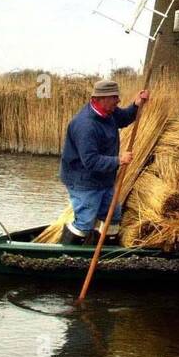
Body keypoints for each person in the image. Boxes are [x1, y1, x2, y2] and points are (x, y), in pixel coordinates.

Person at [59, 79, 150, 246]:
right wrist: (119, 160)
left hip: (104, 179)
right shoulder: (85, 125)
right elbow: (90, 161)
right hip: (84, 181)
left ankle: (100, 252)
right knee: (85, 222)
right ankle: (64, 256)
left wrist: (136, 106)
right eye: (114, 97)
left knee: (113, 216)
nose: (118, 100)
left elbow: (124, 118)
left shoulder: (109, 112)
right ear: (100, 99)